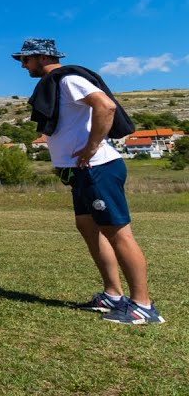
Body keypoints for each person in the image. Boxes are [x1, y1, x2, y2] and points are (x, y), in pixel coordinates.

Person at [14, 38, 163, 325]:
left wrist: (93, 145)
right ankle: (113, 295)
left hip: (98, 167)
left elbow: (104, 107)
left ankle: (143, 306)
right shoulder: (57, 83)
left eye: (26, 59)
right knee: (88, 227)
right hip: (81, 171)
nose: (23, 65)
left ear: (43, 57)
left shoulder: (68, 79)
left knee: (118, 232)